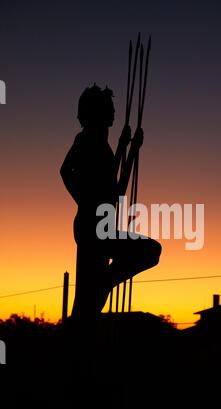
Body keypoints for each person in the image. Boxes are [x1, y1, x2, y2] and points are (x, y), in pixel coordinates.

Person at [60, 84, 161, 319]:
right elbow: (65, 170)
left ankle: (103, 282)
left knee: (89, 305)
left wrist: (128, 149)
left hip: (99, 227)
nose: (115, 112)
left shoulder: (102, 146)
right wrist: (84, 200)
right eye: (110, 108)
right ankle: (105, 281)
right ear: (98, 111)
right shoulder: (85, 138)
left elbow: (114, 191)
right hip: (91, 229)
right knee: (150, 251)